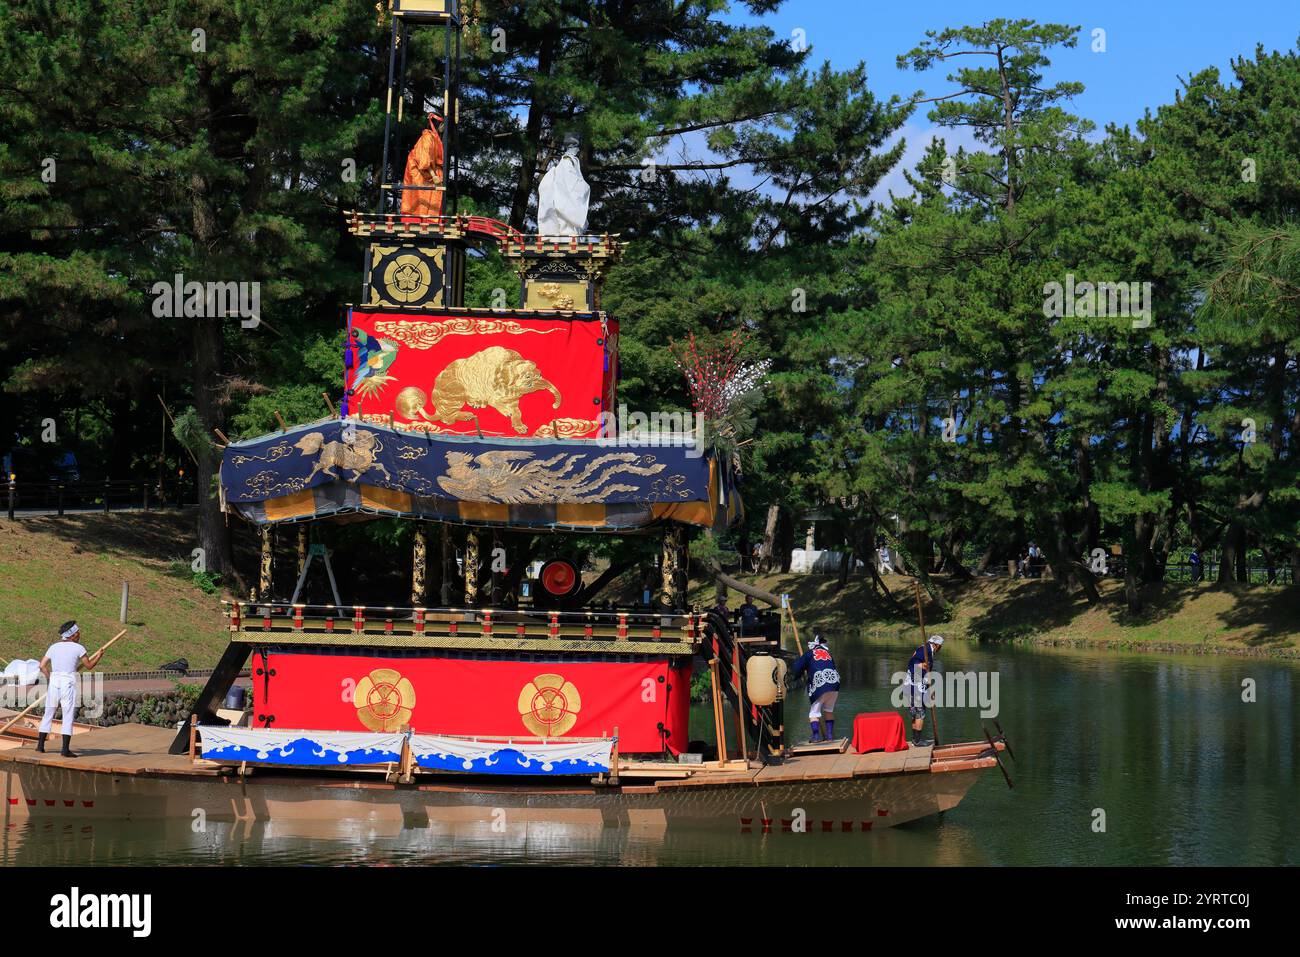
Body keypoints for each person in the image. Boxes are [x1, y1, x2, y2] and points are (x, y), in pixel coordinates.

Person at [37, 621, 102, 757]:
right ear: (71, 635)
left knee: (48, 713)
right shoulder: (78, 648)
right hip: (68, 683)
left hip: (54, 682)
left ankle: (40, 746)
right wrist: (99, 656)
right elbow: (89, 665)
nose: (79, 635)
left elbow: (42, 666)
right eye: (77, 633)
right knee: (67, 715)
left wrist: (51, 677)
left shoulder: (53, 647)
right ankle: (65, 750)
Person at [789, 632, 841, 743]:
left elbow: (797, 668)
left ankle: (816, 736)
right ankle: (830, 736)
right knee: (829, 711)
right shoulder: (828, 654)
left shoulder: (809, 654)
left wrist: (797, 675)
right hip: (834, 683)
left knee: (814, 713)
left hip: (820, 683)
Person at [401, 111, 445, 218]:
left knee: (430, 194)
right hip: (418, 170)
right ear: (436, 124)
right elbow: (423, 159)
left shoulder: (433, 137)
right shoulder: (427, 137)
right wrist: (434, 175)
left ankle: (428, 219)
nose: (443, 127)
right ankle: (421, 221)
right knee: (420, 197)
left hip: (426, 170)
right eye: (442, 124)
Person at [903, 635, 943, 747]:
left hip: (909, 687)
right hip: (916, 688)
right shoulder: (926, 651)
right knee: (919, 714)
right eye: (940, 647)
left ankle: (915, 739)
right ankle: (917, 741)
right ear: (937, 645)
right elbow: (913, 665)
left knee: (914, 714)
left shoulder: (923, 649)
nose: (940, 649)